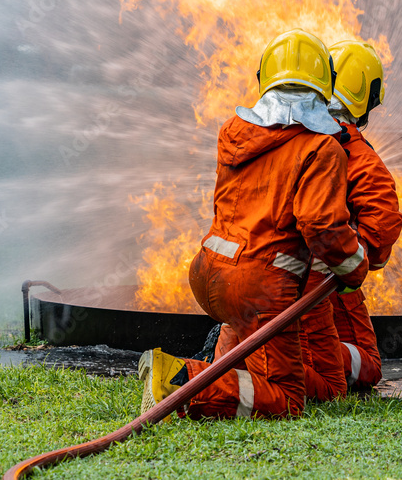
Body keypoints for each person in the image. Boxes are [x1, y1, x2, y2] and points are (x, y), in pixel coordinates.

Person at [137, 29, 369, 419]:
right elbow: (321, 225)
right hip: (260, 290)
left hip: (209, 272)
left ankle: (200, 377)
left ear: (264, 81)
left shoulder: (233, 133)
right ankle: (177, 378)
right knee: (290, 399)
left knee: (238, 366)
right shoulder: (321, 148)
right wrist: (355, 265)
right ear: (325, 87)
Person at [320, 40, 402, 390]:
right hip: (320, 283)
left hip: (250, 273)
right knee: (366, 366)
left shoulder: (278, 135)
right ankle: (294, 350)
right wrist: (354, 264)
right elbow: (380, 229)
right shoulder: (354, 153)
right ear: (365, 99)